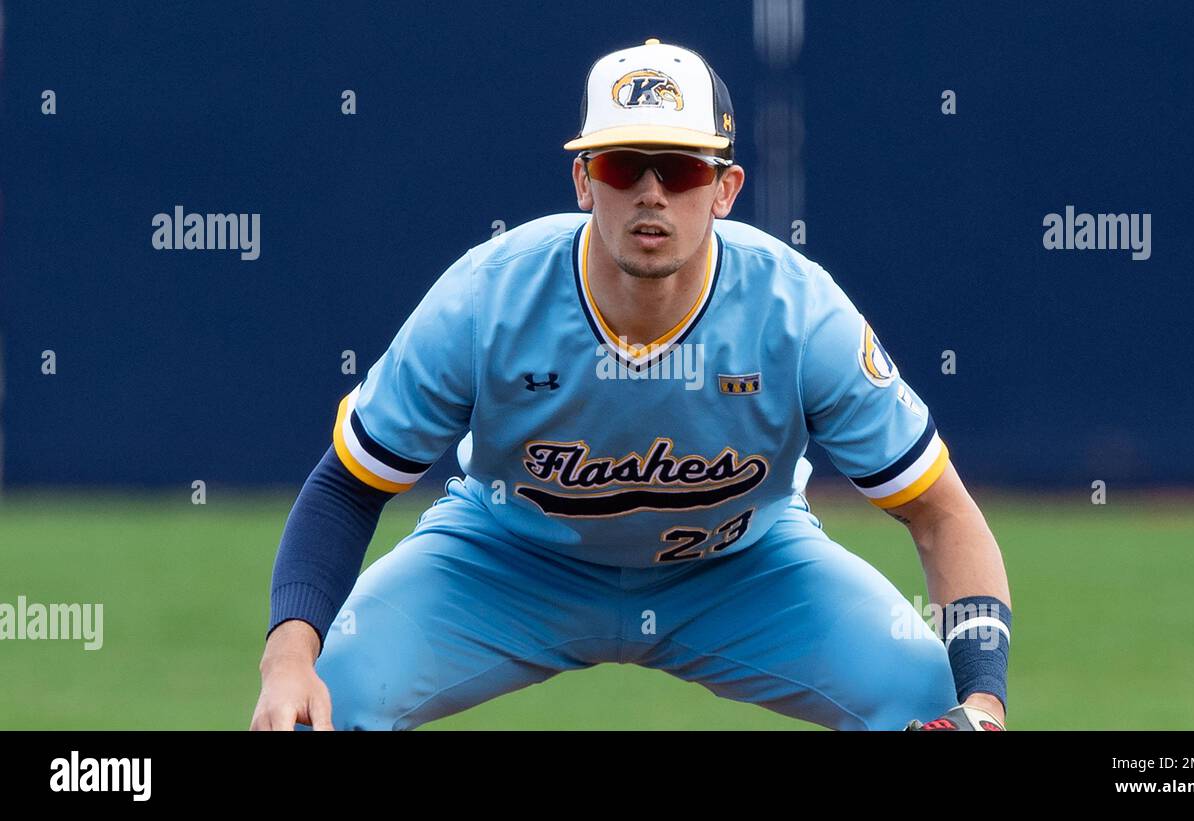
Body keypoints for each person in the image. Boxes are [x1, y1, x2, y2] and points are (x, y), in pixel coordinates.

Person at [250, 38, 1012, 732]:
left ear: (725, 188)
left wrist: (982, 701)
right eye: (623, 164)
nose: (652, 192)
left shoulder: (798, 313)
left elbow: (942, 515)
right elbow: (349, 486)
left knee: (930, 708)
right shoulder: (486, 299)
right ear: (583, 179)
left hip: (741, 567)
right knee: (314, 713)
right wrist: (286, 656)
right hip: (508, 562)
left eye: (679, 168)